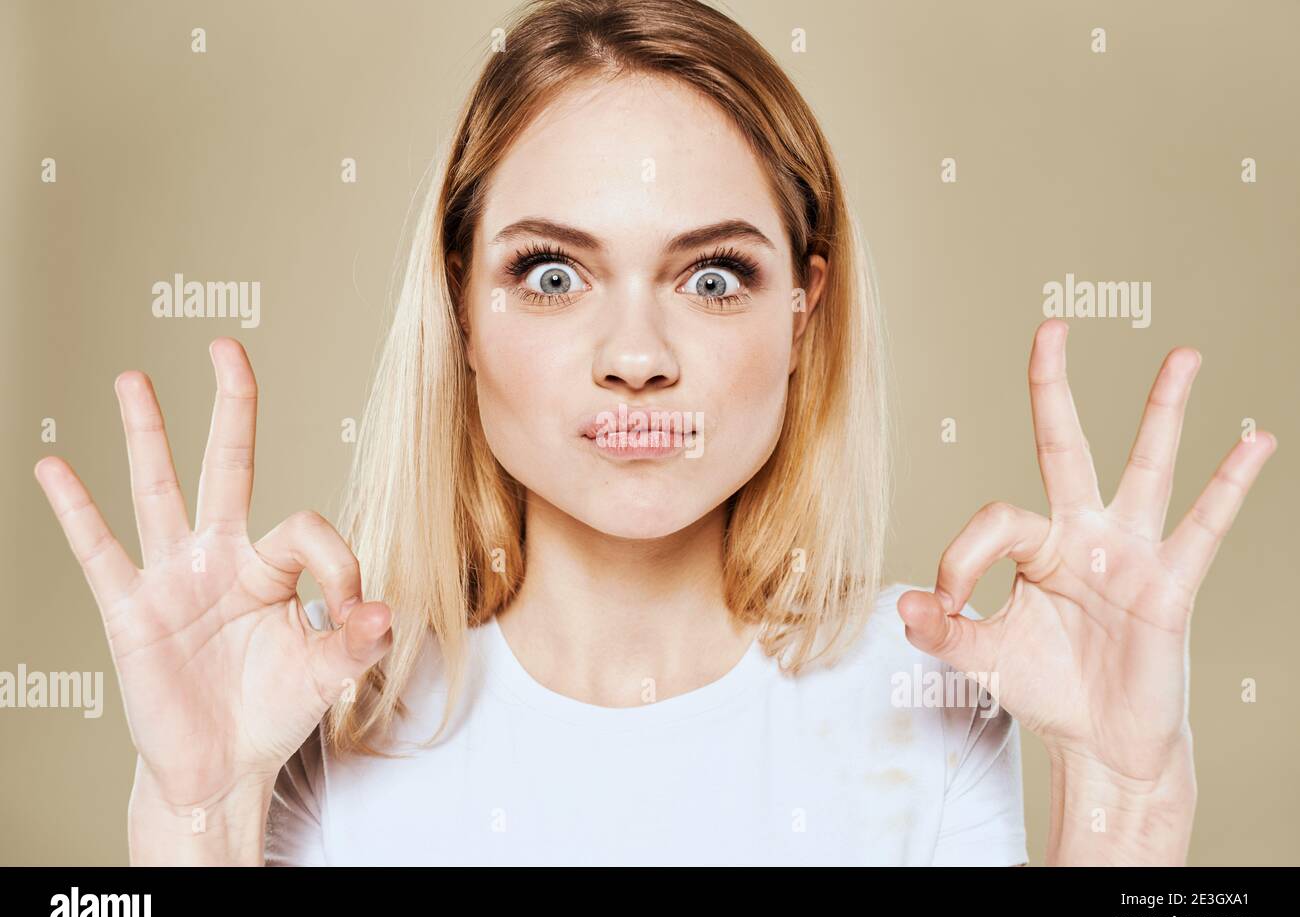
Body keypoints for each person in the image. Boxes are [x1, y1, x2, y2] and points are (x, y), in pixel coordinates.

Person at [33, 0, 1275, 866]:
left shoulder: (930, 700)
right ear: (460, 309)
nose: (635, 358)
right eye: (554, 276)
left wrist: (1125, 797)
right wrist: (193, 821)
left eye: (713, 277)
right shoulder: (311, 726)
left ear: (804, 310)